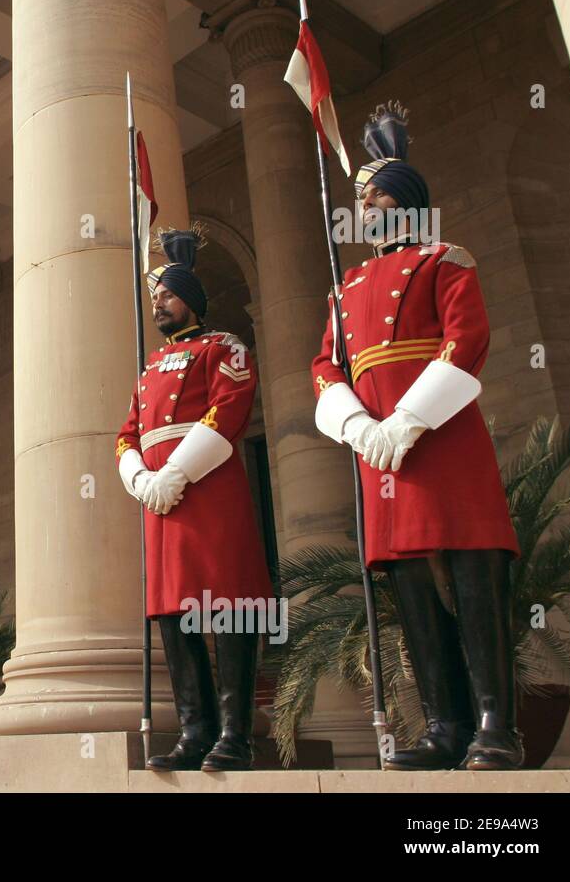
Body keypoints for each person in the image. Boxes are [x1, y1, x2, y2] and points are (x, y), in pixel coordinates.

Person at [312, 101, 522, 770]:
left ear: (405, 201)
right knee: (408, 585)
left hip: (442, 436)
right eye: (361, 197)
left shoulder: (444, 258)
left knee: (472, 571)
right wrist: (358, 426)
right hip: (378, 449)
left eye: (374, 195)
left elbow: (467, 340)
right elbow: (326, 367)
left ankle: (496, 724)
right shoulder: (344, 289)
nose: (365, 207)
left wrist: (408, 420)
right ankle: (444, 725)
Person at [115, 227, 274, 771]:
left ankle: (235, 734)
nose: (159, 303)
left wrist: (177, 473)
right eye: (156, 296)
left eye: (168, 294)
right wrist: (140, 479)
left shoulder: (223, 347)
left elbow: (228, 412)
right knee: (171, 612)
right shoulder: (149, 369)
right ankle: (194, 730)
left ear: (192, 300)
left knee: (227, 604)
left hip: (206, 487)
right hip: (159, 499)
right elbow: (127, 434)